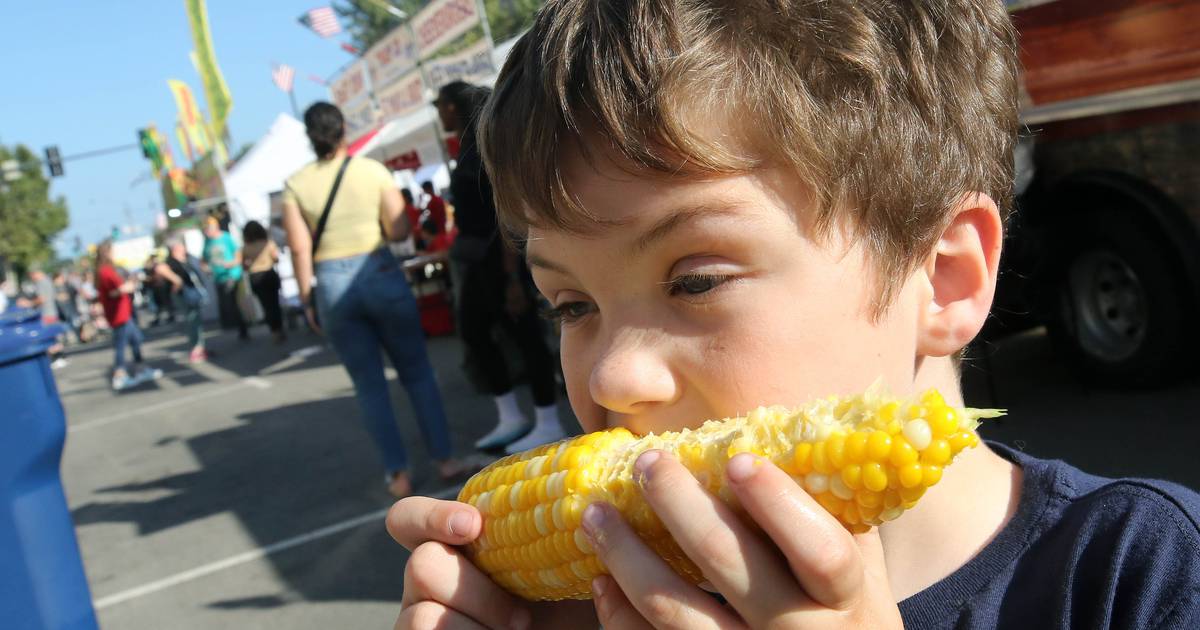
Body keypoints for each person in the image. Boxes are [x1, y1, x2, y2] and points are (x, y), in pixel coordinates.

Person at [387, 2, 1200, 629]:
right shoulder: (611, 608)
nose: (609, 376)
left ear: (944, 279)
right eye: (570, 304)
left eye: (695, 281)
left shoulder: (1143, 576)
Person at [281, 101, 474, 499]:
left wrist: (306, 298)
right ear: (342, 130)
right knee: (418, 373)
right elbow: (400, 226)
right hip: (380, 271)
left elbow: (300, 250)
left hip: (332, 281)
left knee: (369, 387)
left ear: (309, 137)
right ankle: (445, 460)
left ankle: (398, 475)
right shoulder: (371, 171)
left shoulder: (296, 185)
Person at [434, 81, 567, 455]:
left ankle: (548, 420)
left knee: (525, 335)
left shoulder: (488, 146)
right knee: (476, 334)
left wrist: (511, 276)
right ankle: (511, 415)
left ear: (453, 107)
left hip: (501, 258)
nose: (438, 113)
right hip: (478, 261)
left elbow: (504, 215)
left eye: (440, 105)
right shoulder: (467, 145)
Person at [95, 240, 162, 391]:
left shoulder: (107, 270)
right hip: (119, 313)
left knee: (136, 340)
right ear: (107, 253)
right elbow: (113, 291)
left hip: (123, 312)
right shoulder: (105, 271)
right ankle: (120, 376)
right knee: (121, 345)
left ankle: (141, 369)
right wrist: (128, 286)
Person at [156, 237, 208, 362]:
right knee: (192, 320)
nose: (184, 248)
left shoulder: (187, 259)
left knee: (197, 320)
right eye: (181, 246)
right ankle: (195, 348)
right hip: (184, 295)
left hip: (194, 293)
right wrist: (176, 280)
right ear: (175, 248)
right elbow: (159, 269)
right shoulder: (171, 261)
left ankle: (200, 347)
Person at [202, 216, 248, 340]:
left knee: (234, 303)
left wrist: (231, 264)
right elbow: (204, 259)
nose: (206, 232)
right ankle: (234, 326)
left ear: (215, 227)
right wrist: (206, 268)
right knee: (227, 304)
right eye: (205, 229)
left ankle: (243, 328)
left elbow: (238, 256)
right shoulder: (207, 241)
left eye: (208, 229)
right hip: (218, 277)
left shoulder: (226, 237)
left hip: (232, 275)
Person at [241, 220, 286, 344]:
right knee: (275, 304)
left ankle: (274, 331)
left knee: (266, 305)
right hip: (269, 274)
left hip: (255, 276)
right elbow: (276, 258)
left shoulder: (246, 247)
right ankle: (279, 329)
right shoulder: (268, 243)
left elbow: (244, 266)